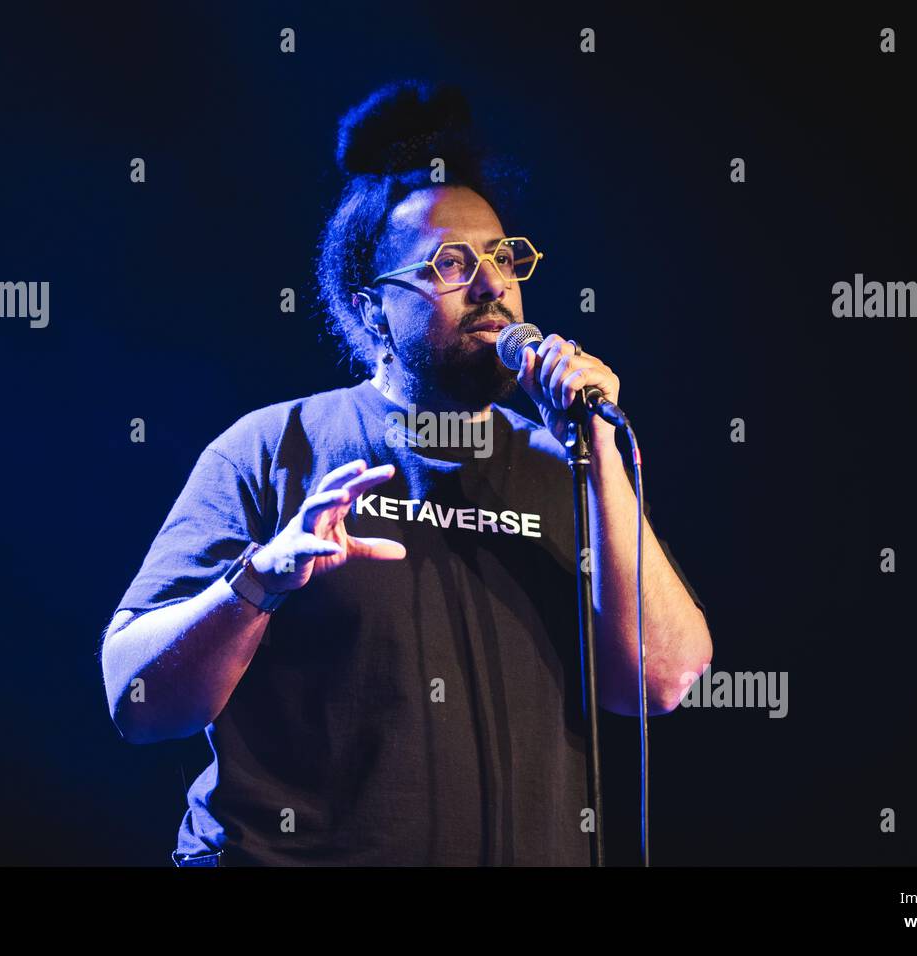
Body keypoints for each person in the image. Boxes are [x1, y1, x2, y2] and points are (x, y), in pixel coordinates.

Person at [100, 80, 712, 866]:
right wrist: (258, 581)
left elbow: (663, 680)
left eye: (503, 257)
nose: (493, 285)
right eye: (450, 263)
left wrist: (597, 454)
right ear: (371, 311)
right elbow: (138, 700)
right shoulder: (273, 447)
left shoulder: (570, 470)